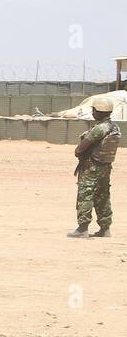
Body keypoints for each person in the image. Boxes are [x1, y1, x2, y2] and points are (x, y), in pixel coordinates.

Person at [68, 96, 118, 238]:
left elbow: (80, 150)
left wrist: (79, 150)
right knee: (103, 195)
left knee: (85, 194)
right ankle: (105, 228)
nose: (92, 113)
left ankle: (82, 229)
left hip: (92, 168)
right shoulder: (114, 127)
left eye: (94, 110)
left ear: (100, 111)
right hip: (105, 167)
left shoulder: (99, 129)